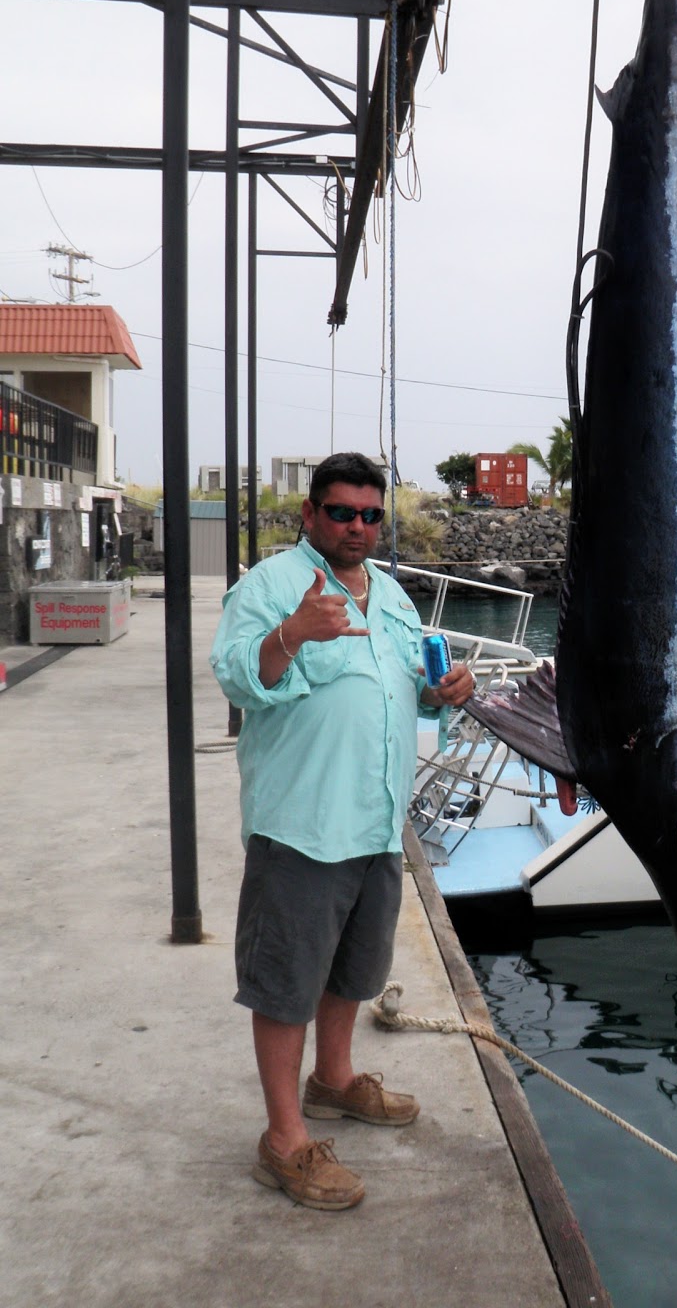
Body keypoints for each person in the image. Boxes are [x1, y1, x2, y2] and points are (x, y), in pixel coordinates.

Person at [210, 452, 475, 1212]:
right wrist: (290, 632)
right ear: (309, 515)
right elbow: (235, 678)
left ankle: (333, 1080)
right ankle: (284, 1142)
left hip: (376, 822)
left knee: (352, 969)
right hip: (301, 823)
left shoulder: (388, 593)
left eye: (368, 515)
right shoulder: (267, 587)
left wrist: (442, 693)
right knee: (286, 982)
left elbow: (410, 691)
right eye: (340, 512)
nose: (356, 527)